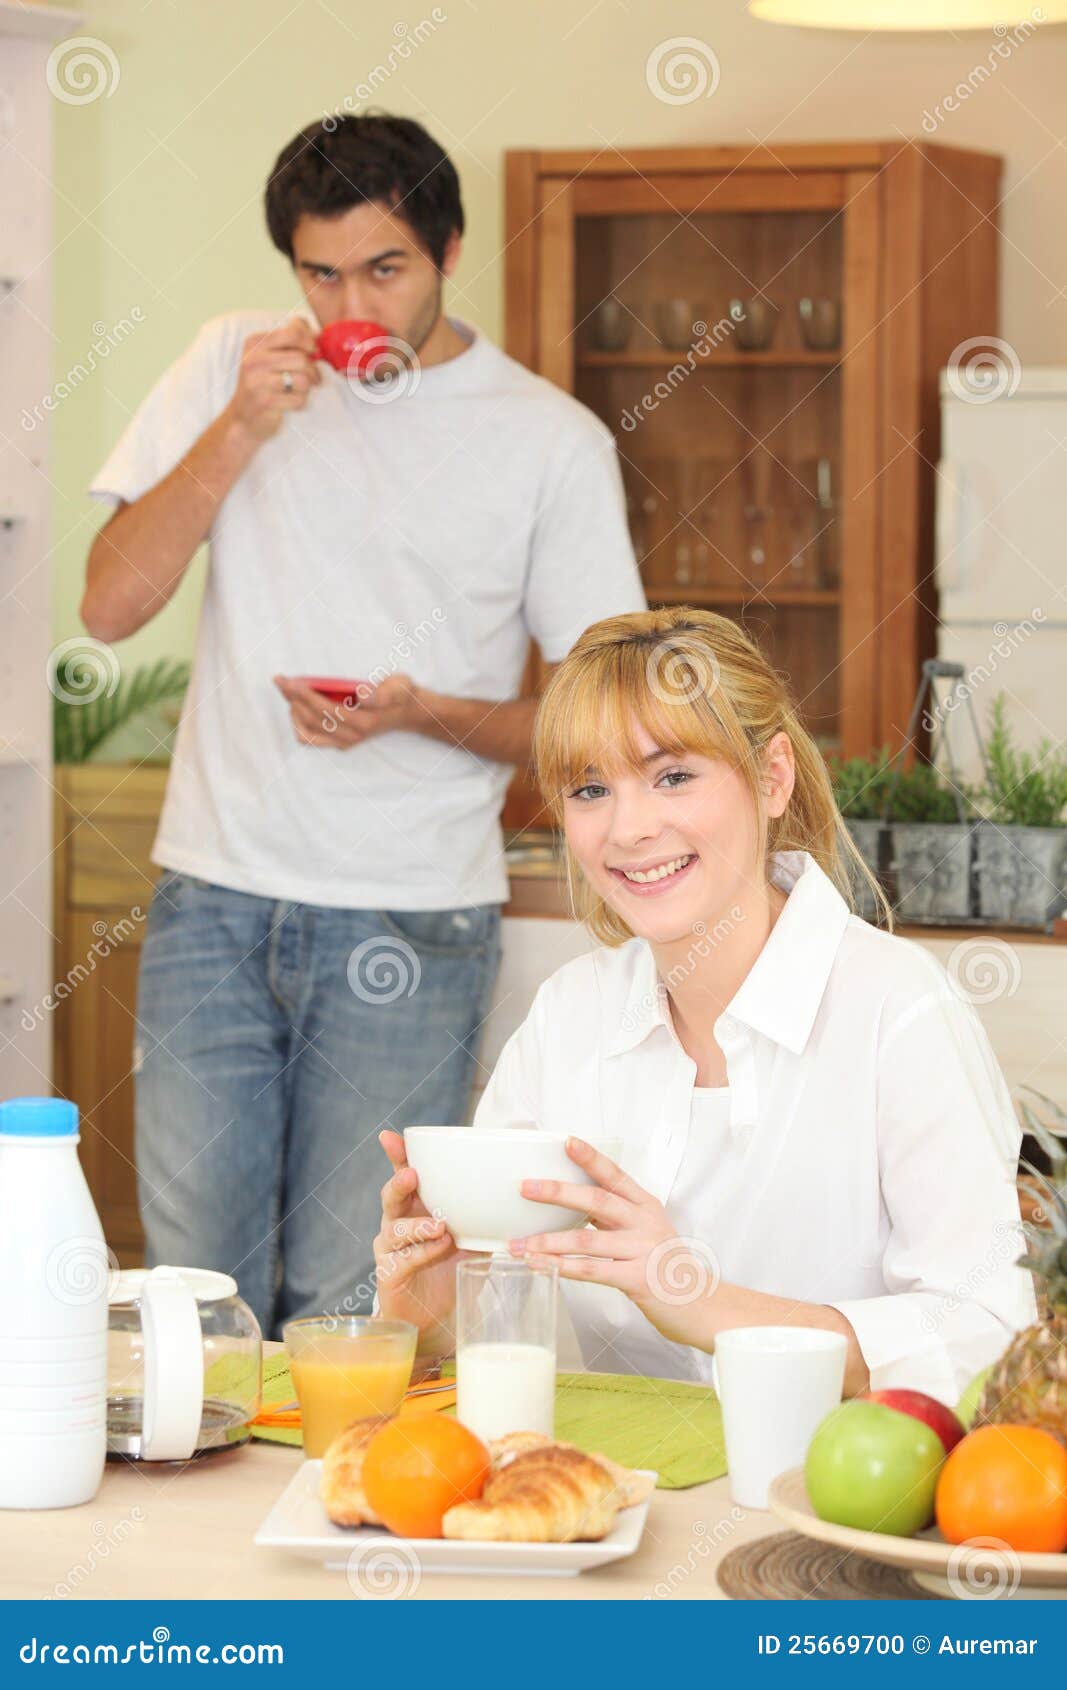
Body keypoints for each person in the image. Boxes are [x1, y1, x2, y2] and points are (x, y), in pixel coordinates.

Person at [80, 115, 644, 1336]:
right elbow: (109, 604)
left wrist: (420, 713)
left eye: (383, 270)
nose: (352, 308)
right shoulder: (231, 366)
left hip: (411, 913)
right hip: (212, 897)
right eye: (320, 275)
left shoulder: (549, 441)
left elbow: (600, 719)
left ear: (447, 251)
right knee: (192, 1298)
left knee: (352, 1304)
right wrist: (238, 430)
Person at [374, 608, 1036, 1403]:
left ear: (772, 777)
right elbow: (484, 1340)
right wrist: (423, 1317)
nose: (628, 829)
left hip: (849, 1474)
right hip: (622, 1477)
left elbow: (987, 1333)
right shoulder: (569, 1015)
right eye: (590, 789)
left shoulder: (899, 1010)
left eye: (673, 777)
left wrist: (702, 1301)